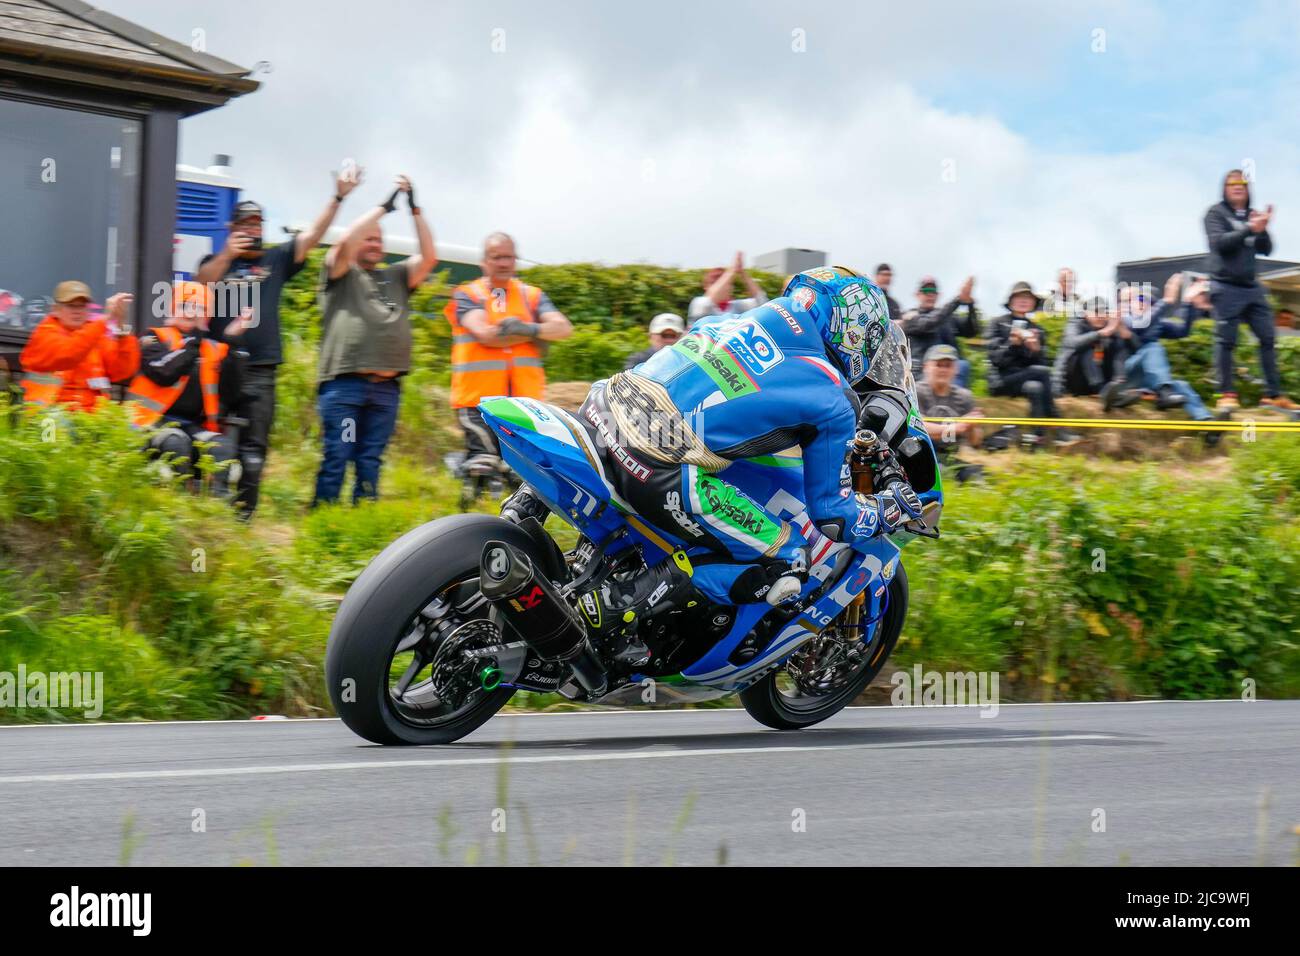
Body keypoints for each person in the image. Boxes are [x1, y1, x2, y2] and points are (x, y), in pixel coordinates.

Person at [505, 266, 930, 663]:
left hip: (602, 406)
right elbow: (833, 517)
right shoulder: (831, 395)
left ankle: (520, 514)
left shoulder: (729, 321)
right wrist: (892, 507)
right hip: (658, 464)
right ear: (855, 332)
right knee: (787, 560)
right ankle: (620, 602)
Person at [195, 168, 364, 516]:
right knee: (218, 443)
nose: (253, 230)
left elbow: (314, 236)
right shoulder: (216, 262)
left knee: (254, 450)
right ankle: (212, 512)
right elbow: (201, 283)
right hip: (219, 366)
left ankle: (244, 515)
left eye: (258, 224)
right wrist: (227, 254)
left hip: (261, 369)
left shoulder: (275, 259)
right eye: (245, 224)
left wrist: (339, 197)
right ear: (232, 228)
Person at [312, 175, 437, 506]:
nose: (375, 243)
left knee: (369, 459)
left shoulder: (395, 276)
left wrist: (414, 209)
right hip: (346, 386)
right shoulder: (341, 273)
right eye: (368, 239)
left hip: (385, 389)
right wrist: (383, 207)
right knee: (339, 453)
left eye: (379, 239)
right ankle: (324, 520)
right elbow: (343, 243)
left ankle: (361, 518)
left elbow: (429, 258)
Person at [445, 232, 573, 499]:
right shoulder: (468, 294)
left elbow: (562, 328)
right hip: (476, 399)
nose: (504, 263)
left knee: (521, 469)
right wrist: (537, 332)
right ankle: (473, 520)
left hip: (523, 402)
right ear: (484, 262)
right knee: (483, 463)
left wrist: (525, 327)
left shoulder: (532, 295)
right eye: (497, 257)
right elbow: (487, 335)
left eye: (509, 257)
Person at [126, 282, 248, 492]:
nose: (191, 312)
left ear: (207, 316)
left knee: (223, 448)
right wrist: (194, 342)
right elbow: (164, 373)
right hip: (149, 422)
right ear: (173, 308)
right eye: (184, 305)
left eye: (199, 308)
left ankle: (213, 514)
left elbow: (232, 393)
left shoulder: (215, 349)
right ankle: (176, 509)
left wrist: (234, 342)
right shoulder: (153, 336)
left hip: (194, 426)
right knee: (176, 443)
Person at [1203, 169, 1296, 411]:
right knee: (1226, 341)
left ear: (1247, 189)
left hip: (1252, 286)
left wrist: (1263, 228)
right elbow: (1219, 244)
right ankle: (1226, 393)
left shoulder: (1252, 216)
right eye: (1231, 183)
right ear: (1224, 188)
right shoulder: (1216, 213)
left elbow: (1266, 249)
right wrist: (1249, 229)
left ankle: (1272, 395)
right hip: (1225, 285)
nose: (1237, 186)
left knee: (1268, 338)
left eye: (1242, 183)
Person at [1122, 273, 1218, 444]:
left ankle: (1207, 423)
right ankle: (1164, 393)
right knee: (1153, 347)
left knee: (1181, 385)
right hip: (1125, 375)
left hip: (1147, 381)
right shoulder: (1125, 318)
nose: (1143, 304)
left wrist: (1189, 303)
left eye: (1149, 302)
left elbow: (1182, 331)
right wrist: (1166, 301)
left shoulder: (1155, 322)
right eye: (1140, 299)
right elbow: (1141, 326)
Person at [20, 281, 138, 412]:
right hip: (49, 416)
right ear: (55, 310)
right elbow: (68, 354)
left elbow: (122, 371)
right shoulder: (45, 332)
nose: (77, 311)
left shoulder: (94, 332)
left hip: (92, 417)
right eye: (71, 306)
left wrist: (121, 327)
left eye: (82, 306)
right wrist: (105, 319)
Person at [986, 281, 1079, 446]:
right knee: (1042, 372)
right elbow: (996, 359)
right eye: (1019, 296)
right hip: (1001, 379)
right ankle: (1059, 427)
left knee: (1036, 387)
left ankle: (1037, 438)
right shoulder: (997, 323)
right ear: (1011, 301)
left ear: (1033, 303)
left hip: (1026, 380)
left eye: (1028, 297)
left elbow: (1041, 363)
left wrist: (1035, 350)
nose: (1023, 300)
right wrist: (1011, 344)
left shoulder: (1037, 330)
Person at [915, 344, 985, 482]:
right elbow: (918, 427)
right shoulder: (916, 391)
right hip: (919, 455)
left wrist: (974, 426)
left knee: (977, 478)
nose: (943, 370)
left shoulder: (964, 396)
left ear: (956, 369)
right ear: (926, 367)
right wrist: (958, 426)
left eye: (948, 365)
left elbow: (975, 442)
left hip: (950, 457)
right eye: (938, 365)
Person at [1052, 295, 1136, 405]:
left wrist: (1124, 332)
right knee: (1090, 348)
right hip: (1075, 380)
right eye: (1096, 311)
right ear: (1086, 313)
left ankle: (1118, 388)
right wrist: (1101, 333)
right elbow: (1071, 343)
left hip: (1101, 379)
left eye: (1104, 312)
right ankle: (1103, 392)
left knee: (1120, 347)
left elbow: (1136, 349)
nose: (1101, 315)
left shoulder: (1109, 326)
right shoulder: (1075, 323)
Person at [898, 275, 978, 386]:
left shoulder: (948, 317)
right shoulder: (910, 316)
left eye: (933, 291)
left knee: (963, 365)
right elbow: (929, 323)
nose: (930, 294)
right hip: (923, 372)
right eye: (926, 290)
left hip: (949, 369)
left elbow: (971, 331)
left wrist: (970, 304)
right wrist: (958, 300)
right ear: (917, 295)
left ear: (938, 295)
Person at [688, 252, 768, 321]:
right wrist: (732, 271)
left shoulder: (739, 306)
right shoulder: (698, 303)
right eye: (715, 282)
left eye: (725, 281)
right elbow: (708, 301)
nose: (722, 285)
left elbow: (763, 304)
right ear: (705, 287)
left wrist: (742, 273)